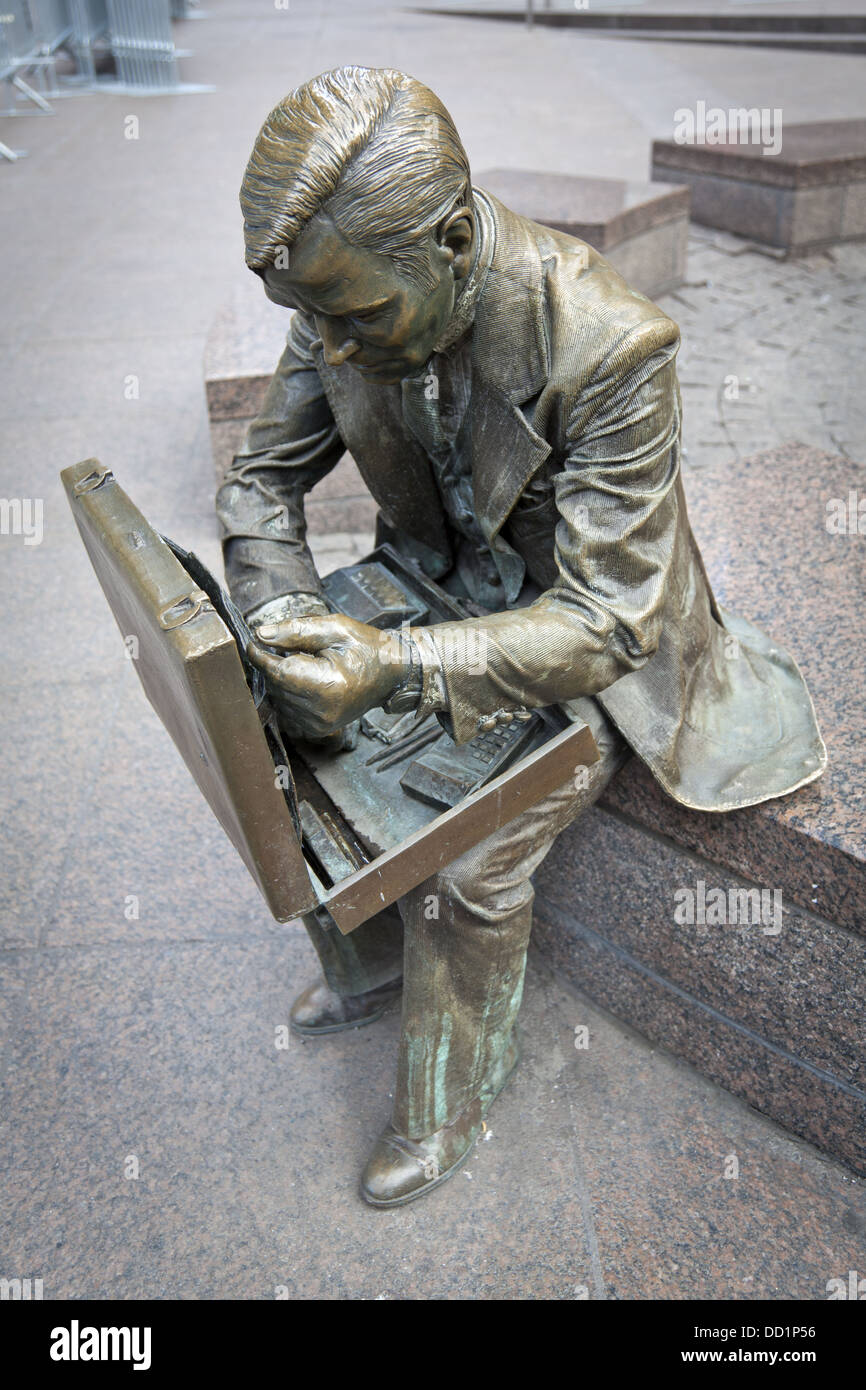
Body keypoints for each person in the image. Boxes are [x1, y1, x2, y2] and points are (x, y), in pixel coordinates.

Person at [216, 66, 826, 1208]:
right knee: (256, 704)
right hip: (428, 582)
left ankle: (448, 1101)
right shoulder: (341, 298)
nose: (328, 349)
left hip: (591, 650)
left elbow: (606, 620)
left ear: (452, 242)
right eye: (310, 321)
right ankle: (369, 953)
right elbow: (259, 479)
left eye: (352, 319)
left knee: (470, 851)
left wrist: (390, 666)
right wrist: (293, 624)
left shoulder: (608, 348)